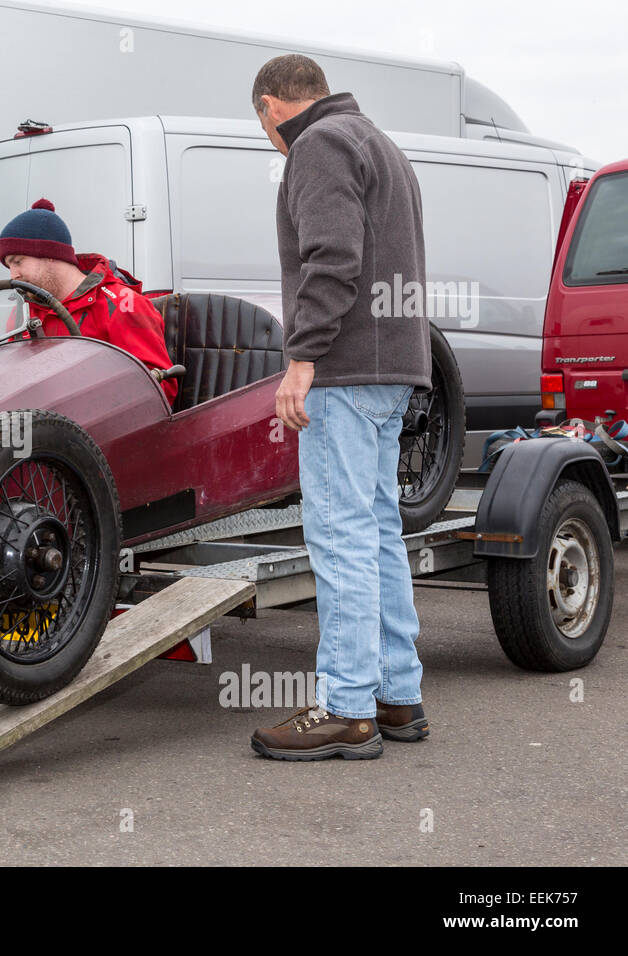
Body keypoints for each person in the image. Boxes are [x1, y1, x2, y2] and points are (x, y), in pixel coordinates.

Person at [247, 55, 432, 760]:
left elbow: (332, 257)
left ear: (271, 107)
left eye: (264, 124)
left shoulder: (317, 144)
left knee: (341, 534)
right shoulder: (380, 143)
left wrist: (301, 359)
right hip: (392, 370)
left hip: (345, 372)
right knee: (379, 530)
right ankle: (396, 695)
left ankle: (347, 707)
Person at [0, 199, 178, 405]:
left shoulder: (122, 305)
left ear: (49, 255)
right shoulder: (24, 313)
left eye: (18, 262)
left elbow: (159, 389)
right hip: (41, 427)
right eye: (9, 266)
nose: (13, 275)